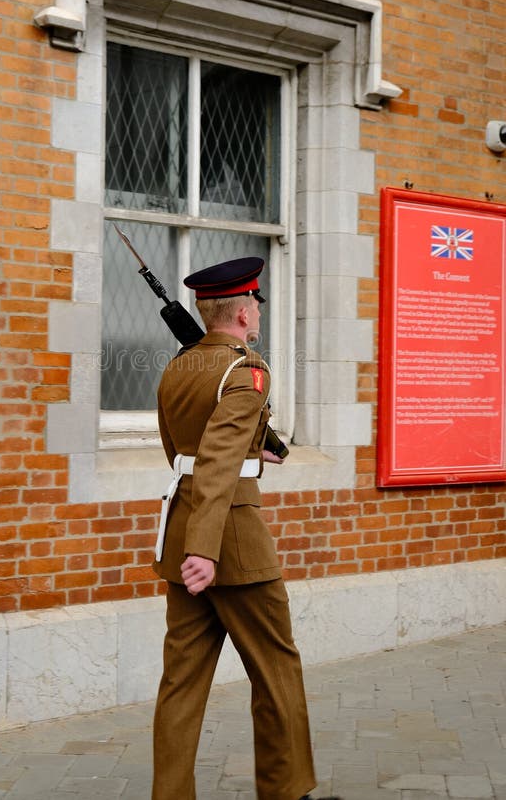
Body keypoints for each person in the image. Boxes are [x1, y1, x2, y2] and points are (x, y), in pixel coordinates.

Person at [152, 257, 335, 800]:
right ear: (240, 309)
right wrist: (206, 550)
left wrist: (263, 442)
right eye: (254, 301)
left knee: (180, 685)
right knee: (276, 669)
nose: (257, 310)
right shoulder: (247, 369)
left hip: (182, 532)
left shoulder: (178, 368)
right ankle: (288, 790)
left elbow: (184, 450)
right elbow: (218, 460)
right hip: (227, 541)